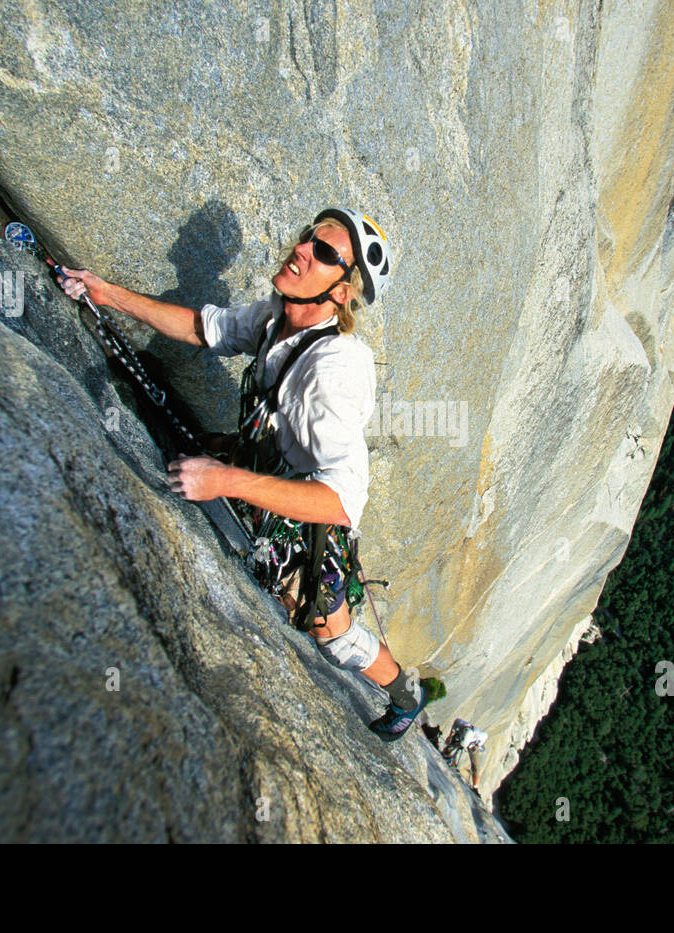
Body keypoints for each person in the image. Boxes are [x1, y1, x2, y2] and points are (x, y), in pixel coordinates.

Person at [56, 208, 428, 740]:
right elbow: (204, 329)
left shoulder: (335, 370)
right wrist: (105, 292)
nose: (302, 250)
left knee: (335, 637)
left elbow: (342, 501)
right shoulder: (279, 317)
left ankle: (406, 695)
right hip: (266, 467)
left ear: (342, 293)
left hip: (311, 518)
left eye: (325, 254)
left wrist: (223, 480)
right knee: (202, 448)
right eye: (309, 240)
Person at [443, 718, 488, 792]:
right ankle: (446, 754)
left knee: (476, 765)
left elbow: (479, 744)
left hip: (474, 744)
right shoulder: (460, 723)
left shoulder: (482, 736)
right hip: (462, 738)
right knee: (454, 741)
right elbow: (453, 728)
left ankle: (475, 787)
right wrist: (450, 736)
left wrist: (475, 745)